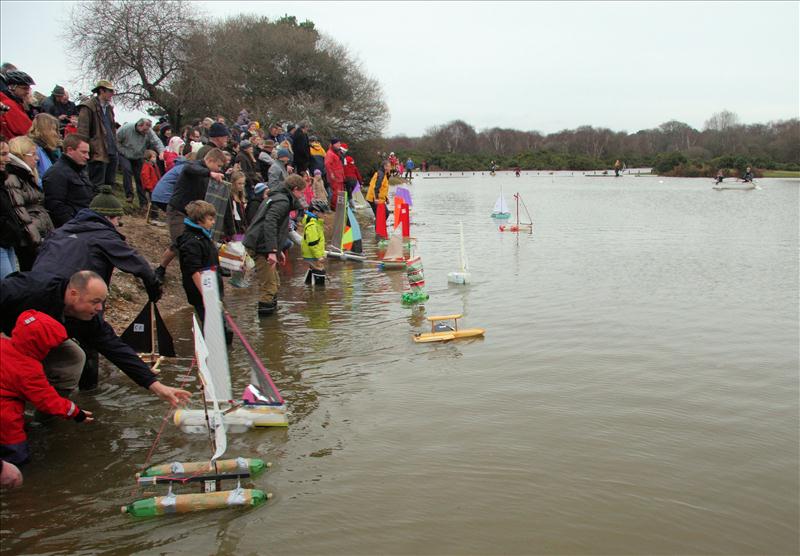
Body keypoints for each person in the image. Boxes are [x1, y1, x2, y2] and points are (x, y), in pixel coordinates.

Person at [0, 270, 191, 406]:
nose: (100, 308)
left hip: (43, 338)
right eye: (95, 302)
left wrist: (156, 386)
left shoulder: (89, 317)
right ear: (73, 294)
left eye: (102, 302)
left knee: (75, 357)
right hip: (7, 335)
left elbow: (116, 348)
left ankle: (48, 411)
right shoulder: (30, 290)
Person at [0, 310, 94, 468]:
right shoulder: (28, 370)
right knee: (17, 456)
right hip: (5, 418)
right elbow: (48, 401)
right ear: (41, 345)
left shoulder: (3, 344)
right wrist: (76, 413)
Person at [154, 148, 226, 281]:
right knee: (180, 243)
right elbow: (190, 169)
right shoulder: (193, 165)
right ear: (210, 160)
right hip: (178, 210)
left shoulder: (206, 173)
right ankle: (162, 269)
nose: (219, 169)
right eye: (219, 166)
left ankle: (209, 270)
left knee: (201, 241)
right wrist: (210, 173)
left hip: (193, 214)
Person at [244, 174, 305, 315]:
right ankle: (266, 324)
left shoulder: (276, 197)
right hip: (260, 246)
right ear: (295, 189)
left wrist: (278, 250)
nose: (301, 196)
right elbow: (270, 223)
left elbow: (276, 227)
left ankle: (274, 321)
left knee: (275, 283)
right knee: (269, 287)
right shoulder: (282, 201)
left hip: (260, 243)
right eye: (301, 192)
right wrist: (272, 250)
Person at [175, 201, 227, 332]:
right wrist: (207, 296)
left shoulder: (203, 236)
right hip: (202, 292)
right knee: (214, 327)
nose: (213, 222)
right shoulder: (192, 241)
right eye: (210, 219)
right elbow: (193, 271)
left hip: (211, 287)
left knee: (220, 325)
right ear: (199, 220)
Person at [5, 136, 54, 271]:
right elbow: (19, 210)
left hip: (38, 235)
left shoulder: (26, 176)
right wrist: (36, 240)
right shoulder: (13, 178)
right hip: (30, 241)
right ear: (21, 155)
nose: (37, 158)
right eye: (32, 154)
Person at [42, 133, 95, 228]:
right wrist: (75, 227)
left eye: (88, 153)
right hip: (72, 227)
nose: (87, 157)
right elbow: (55, 206)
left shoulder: (80, 171)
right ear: (70, 150)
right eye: (83, 152)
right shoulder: (56, 173)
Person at [77, 80, 118, 189]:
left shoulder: (109, 108)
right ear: (101, 91)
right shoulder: (87, 107)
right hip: (97, 152)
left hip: (111, 151)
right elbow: (82, 132)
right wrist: (86, 151)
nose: (112, 94)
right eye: (110, 91)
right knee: (96, 185)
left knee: (109, 185)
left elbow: (112, 130)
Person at [117, 118, 164, 206]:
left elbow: (156, 141)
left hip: (138, 155)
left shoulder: (149, 132)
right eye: (144, 130)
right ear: (139, 125)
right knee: (127, 170)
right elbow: (116, 140)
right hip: (125, 154)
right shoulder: (125, 129)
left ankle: (143, 202)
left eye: (147, 130)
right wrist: (122, 151)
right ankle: (129, 195)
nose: (146, 132)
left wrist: (161, 152)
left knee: (140, 177)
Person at [0, 135, 24, 278]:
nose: (8, 159)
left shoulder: (2, 182)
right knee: (8, 286)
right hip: (3, 242)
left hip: (7, 243)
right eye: (3, 154)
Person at [28, 113, 62, 186]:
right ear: (44, 130)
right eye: (53, 129)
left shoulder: (54, 149)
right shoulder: (34, 149)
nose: (57, 134)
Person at [0, 70, 35, 139]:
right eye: (25, 88)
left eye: (29, 88)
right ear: (12, 87)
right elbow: (26, 130)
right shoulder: (9, 104)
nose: (28, 92)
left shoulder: (16, 102)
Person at [301, 200, 327, 286]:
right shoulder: (312, 225)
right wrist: (319, 256)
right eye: (323, 212)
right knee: (320, 270)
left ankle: (308, 286)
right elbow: (313, 243)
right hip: (313, 254)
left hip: (313, 254)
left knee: (313, 268)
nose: (325, 215)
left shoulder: (315, 223)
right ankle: (319, 291)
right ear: (315, 212)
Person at [325, 138, 345, 210]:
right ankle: (334, 207)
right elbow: (327, 164)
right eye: (337, 144)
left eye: (339, 143)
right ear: (333, 144)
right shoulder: (330, 153)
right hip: (335, 177)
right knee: (336, 193)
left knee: (340, 193)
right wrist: (331, 174)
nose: (339, 145)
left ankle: (339, 207)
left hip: (339, 177)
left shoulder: (336, 153)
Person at [140, 149, 161, 215]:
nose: (155, 159)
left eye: (155, 157)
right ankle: (153, 216)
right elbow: (145, 177)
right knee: (153, 203)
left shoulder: (154, 165)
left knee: (155, 202)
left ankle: (154, 215)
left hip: (156, 187)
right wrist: (149, 187)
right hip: (150, 188)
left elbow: (158, 175)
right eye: (153, 157)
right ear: (148, 157)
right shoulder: (146, 166)